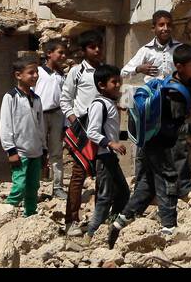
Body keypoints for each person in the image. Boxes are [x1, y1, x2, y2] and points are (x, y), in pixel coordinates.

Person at [110, 45, 191, 242]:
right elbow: (176, 130)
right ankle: (169, 230)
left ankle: (119, 224)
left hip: (152, 142)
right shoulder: (174, 94)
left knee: (147, 186)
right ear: (179, 66)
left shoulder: (189, 84)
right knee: (168, 181)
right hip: (158, 144)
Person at [121, 10, 191, 199]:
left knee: (178, 143)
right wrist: (139, 68)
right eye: (161, 25)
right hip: (152, 104)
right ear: (153, 27)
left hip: (174, 102)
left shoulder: (179, 48)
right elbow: (123, 71)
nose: (165, 28)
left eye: (168, 25)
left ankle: (185, 188)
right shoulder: (145, 51)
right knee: (146, 144)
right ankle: (143, 190)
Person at [59, 30, 104, 234]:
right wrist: (74, 122)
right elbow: (65, 99)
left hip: (101, 131)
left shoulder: (105, 71)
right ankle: (71, 221)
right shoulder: (76, 72)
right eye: (92, 47)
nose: (97, 50)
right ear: (84, 50)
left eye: (99, 46)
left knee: (103, 176)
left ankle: (101, 217)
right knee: (78, 176)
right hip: (81, 131)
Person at [84, 64, 129, 238]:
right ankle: (92, 233)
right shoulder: (99, 104)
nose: (118, 85)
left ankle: (111, 224)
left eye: (119, 81)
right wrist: (111, 144)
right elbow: (92, 132)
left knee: (123, 193)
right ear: (102, 85)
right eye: (113, 82)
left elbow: (110, 130)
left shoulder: (110, 104)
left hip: (110, 157)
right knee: (104, 197)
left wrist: (128, 136)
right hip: (104, 158)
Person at [1, 54, 46, 217]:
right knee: (19, 186)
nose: (35, 76)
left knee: (33, 187)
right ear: (18, 75)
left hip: (36, 151)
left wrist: (44, 148)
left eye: (36, 72)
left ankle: (30, 216)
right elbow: (6, 125)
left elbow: (41, 126)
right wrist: (10, 150)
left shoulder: (37, 99)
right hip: (20, 152)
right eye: (31, 73)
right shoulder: (11, 97)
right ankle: (3, 215)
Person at [36, 38, 69, 200]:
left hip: (57, 115)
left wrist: (65, 123)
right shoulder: (38, 72)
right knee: (37, 151)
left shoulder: (61, 75)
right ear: (49, 54)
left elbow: (64, 99)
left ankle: (57, 186)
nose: (63, 56)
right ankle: (33, 186)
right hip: (39, 115)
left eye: (64, 53)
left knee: (56, 152)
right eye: (60, 52)